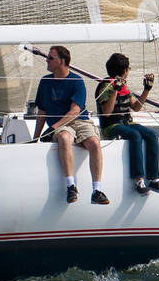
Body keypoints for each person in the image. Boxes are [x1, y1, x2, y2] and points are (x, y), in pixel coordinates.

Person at [33, 45, 108, 205]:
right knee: (64, 138)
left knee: (94, 142)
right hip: (61, 125)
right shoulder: (45, 81)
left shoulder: (76, 81)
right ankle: (71, 186)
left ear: (62, 61)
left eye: (50, 58)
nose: (46, 60)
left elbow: (75, 111)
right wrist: (36, 138)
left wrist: (52, 128)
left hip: (78, 120)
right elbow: (42, 111)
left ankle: (97, 190)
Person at [95, 53, 159, 196]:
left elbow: (136, 107)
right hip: (111, 126)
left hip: (127, 123)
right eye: (128, 68)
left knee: (152, 135)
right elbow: (106, 112)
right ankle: (138, 180)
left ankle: (154, 178)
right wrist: (115, 91)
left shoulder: (124, 87)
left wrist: (146, 90)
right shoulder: (106, 86)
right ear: (124, 71)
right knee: (135, 136)